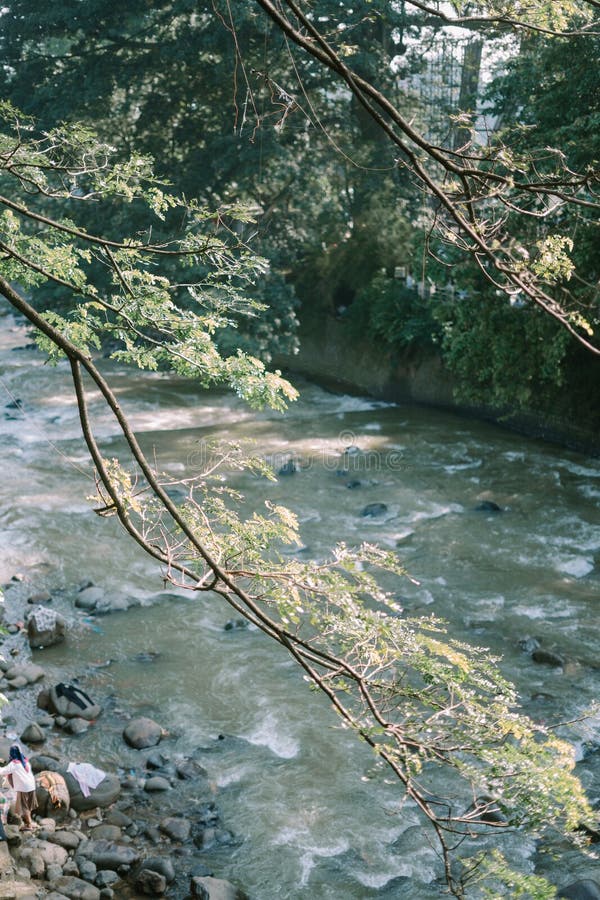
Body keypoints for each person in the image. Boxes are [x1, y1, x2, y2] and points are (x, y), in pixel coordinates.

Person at [0, 745, 37, 830]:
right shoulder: (26, 761)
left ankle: (28, 825)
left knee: (24, 807)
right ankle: (30, 822)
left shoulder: (14, 764)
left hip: (24, 787)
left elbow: (2, 771)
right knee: (27, 805)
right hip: (31, 786)